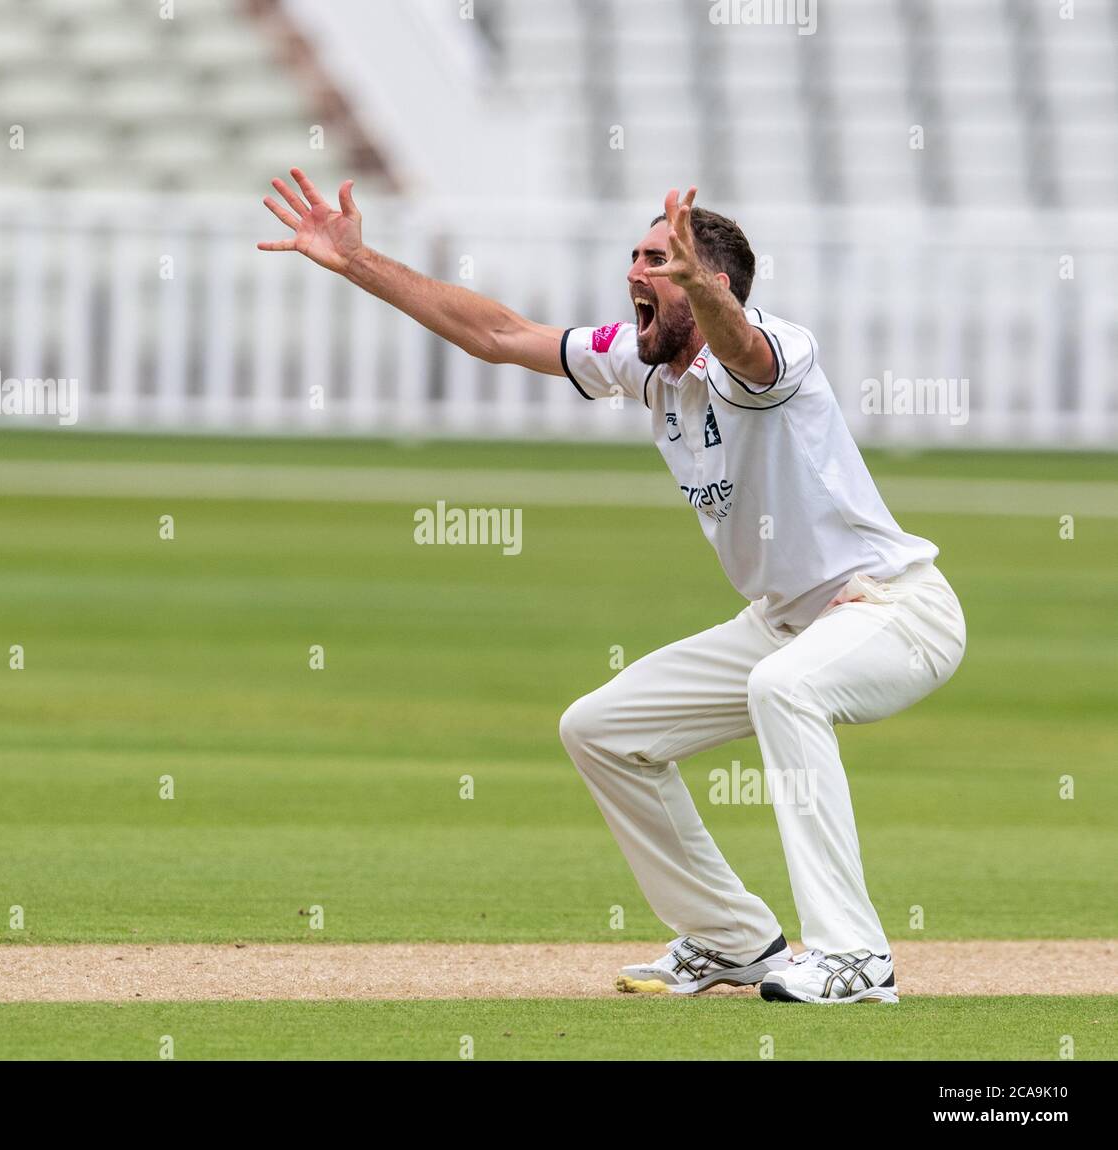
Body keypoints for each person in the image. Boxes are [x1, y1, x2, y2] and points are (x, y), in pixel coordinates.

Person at [260, 168, 966, 1004]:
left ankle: (856, 956)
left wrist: (706, 296)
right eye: (634, 256)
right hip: (786, 619)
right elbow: (499, 333)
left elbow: (743, 350)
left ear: (713, 283)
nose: (635, 271)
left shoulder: (778, 353)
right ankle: (731, 938)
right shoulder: (639, 362)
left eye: (658, 260)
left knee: (784, 688)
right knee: (599, 729)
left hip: (893, 608)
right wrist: (358, 261)